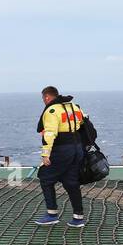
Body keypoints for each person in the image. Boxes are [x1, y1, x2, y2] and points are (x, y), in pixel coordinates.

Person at [34, 86, 88, 227]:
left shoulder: (52, 110)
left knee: (45, 177)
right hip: (77, 149)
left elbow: (50, 133)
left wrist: (45, 154)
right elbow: (84, 124)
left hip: (62, 150)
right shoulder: (75, 107)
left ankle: (52, 214)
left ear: (47, 97)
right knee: (71, 182)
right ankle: (78, 217)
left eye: (43, 99)